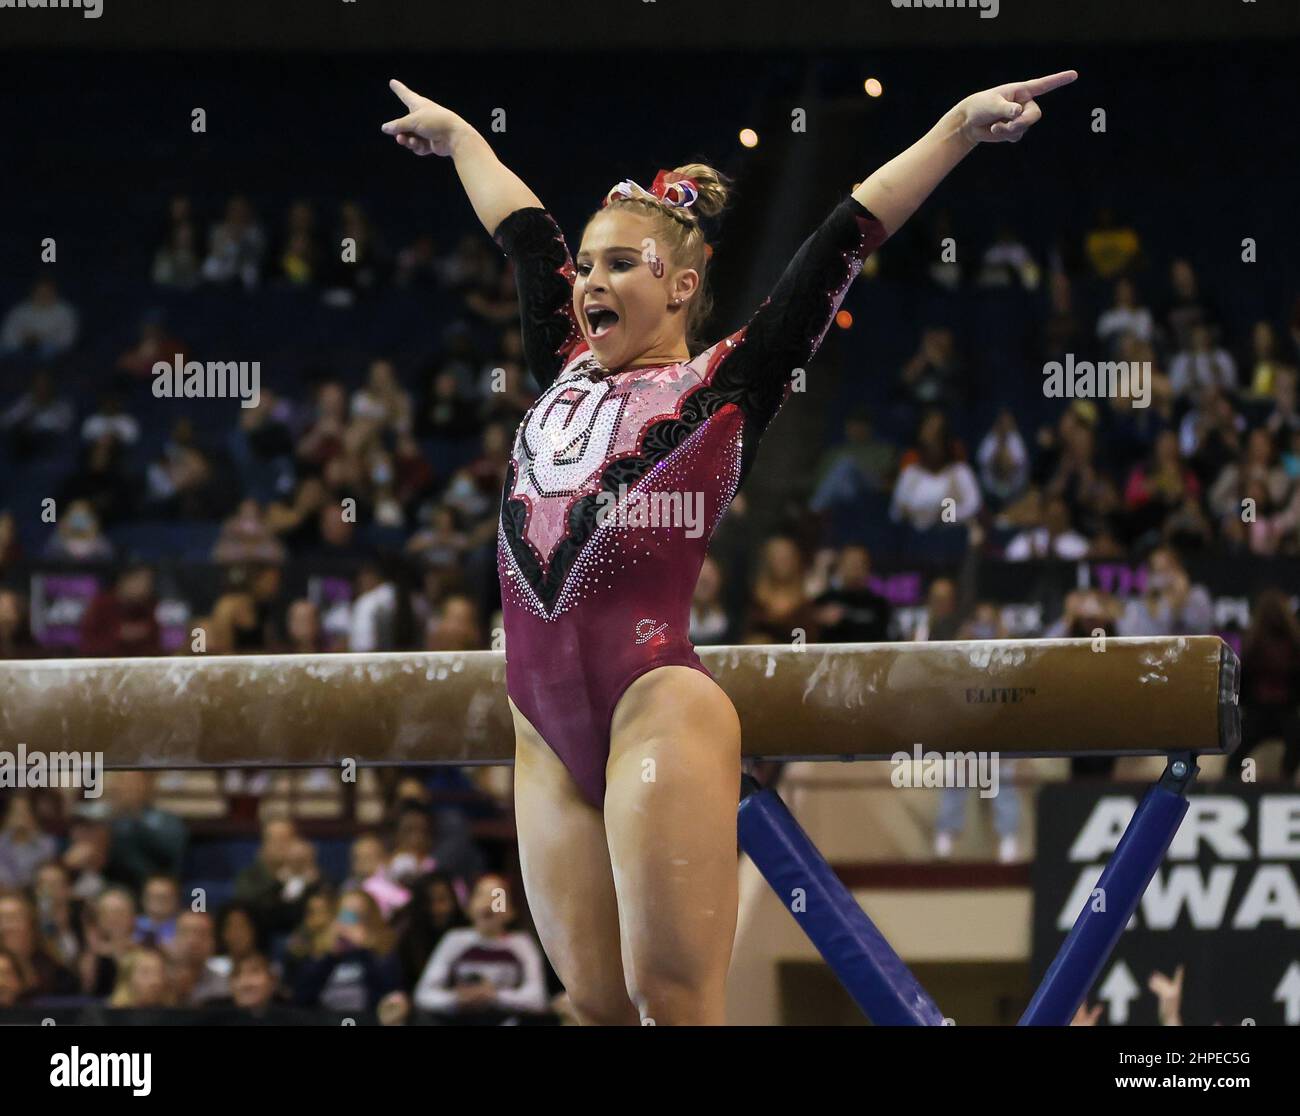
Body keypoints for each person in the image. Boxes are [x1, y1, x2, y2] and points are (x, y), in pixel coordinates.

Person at [381, 68, 1077, 1025]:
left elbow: (845, 237)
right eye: (586, 268)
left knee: (670, 999)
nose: (588, 281)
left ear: (680, 284)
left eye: (619, 264)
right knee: (590, 1005)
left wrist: (957, 127)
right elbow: (525, 233)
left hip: (652, 704)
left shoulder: (725, 387)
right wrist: (462, 138)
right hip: (539, 726)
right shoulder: (564, 366)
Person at [412, 873, 549, 1022]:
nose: (489, 902)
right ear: (469, 908)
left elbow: (537, 999)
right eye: (481, 895)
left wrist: (494, 995)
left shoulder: (521, 943)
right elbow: (423, 994)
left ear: (510, 912)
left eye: (498, 897)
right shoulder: (455, 940)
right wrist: (457, 999)